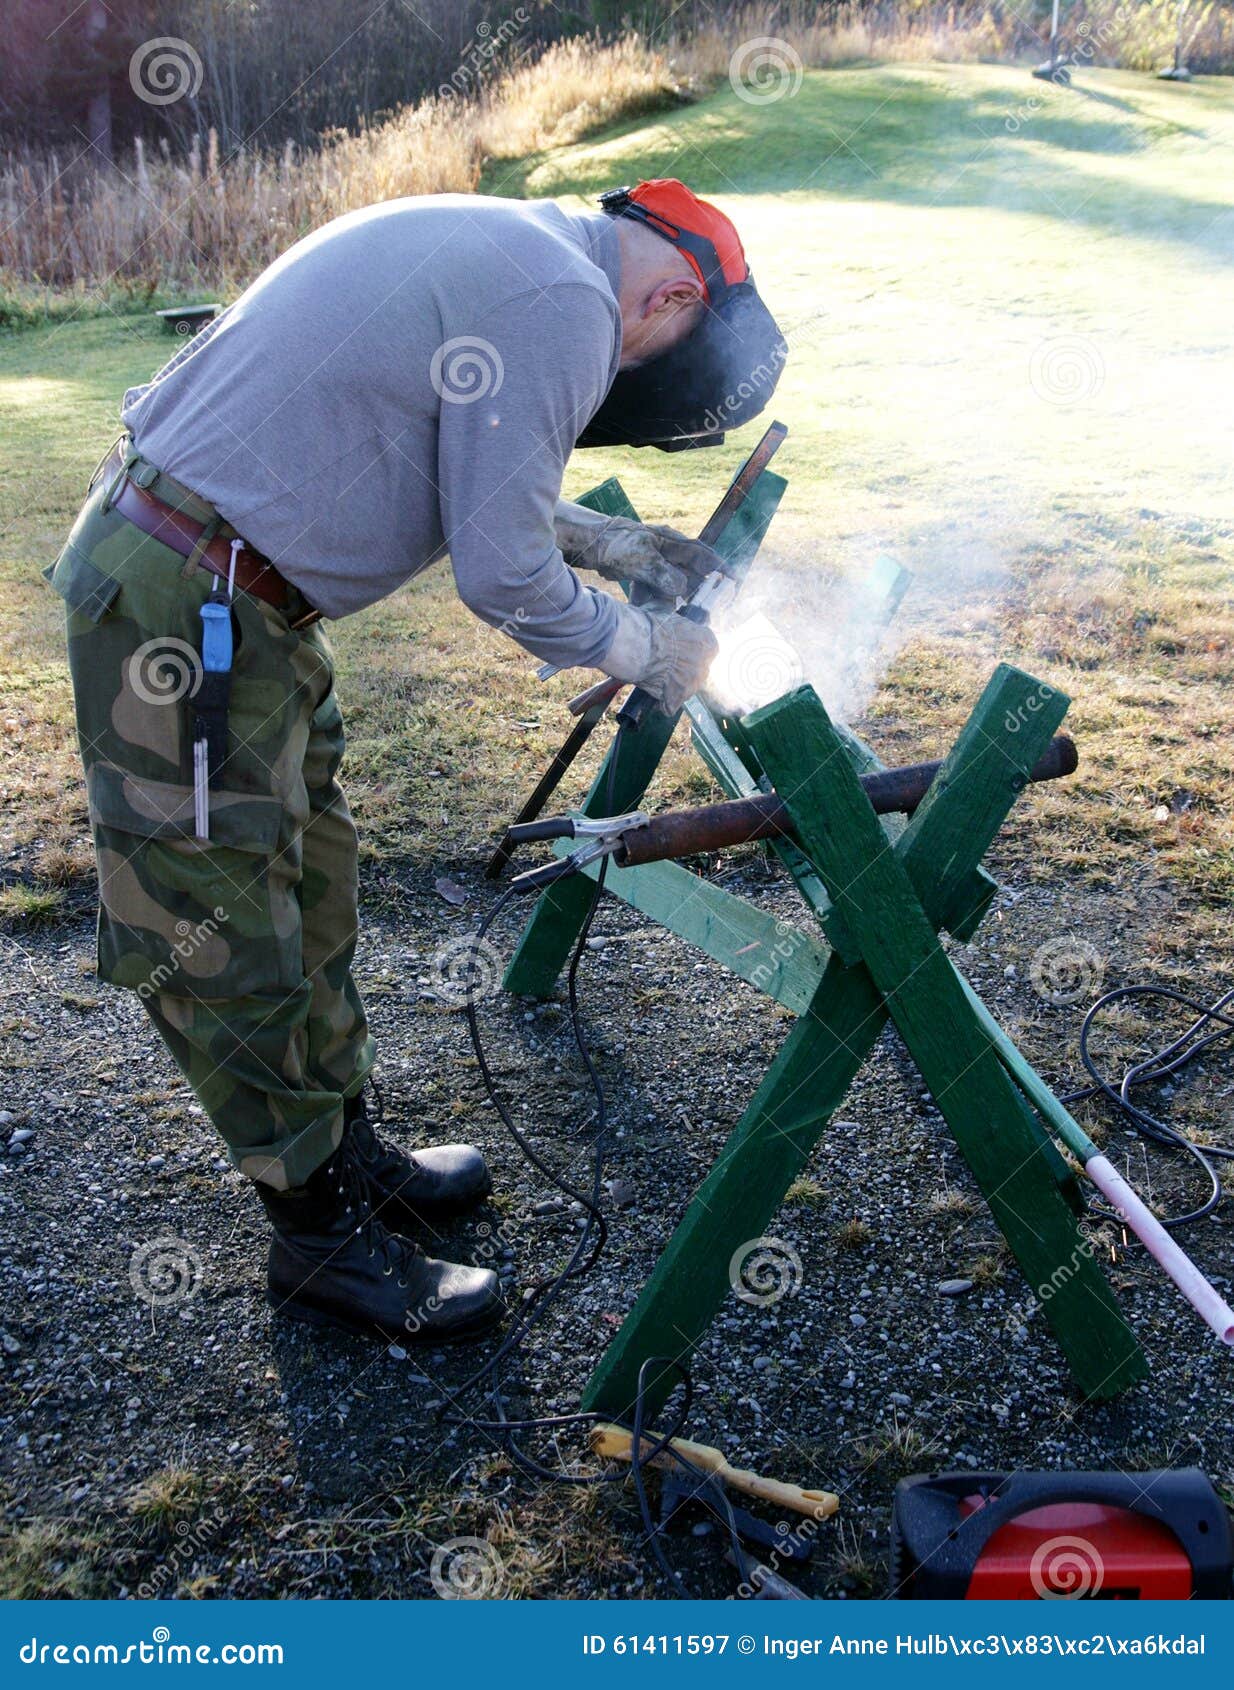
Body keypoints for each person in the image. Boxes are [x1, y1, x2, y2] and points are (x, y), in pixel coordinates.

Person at [47, 179, 785, 1347]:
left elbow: (479, 472)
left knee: (310, 878)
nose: (615, 375)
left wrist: (608, 540)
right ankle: (318, 1238)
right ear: (673, 293)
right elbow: (500, 576)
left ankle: (344, 1155)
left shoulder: (524, 246)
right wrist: (649, 648)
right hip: (190, 614)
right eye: (644, 365)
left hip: (237, 598)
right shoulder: (563, 297)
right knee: (227, 919)